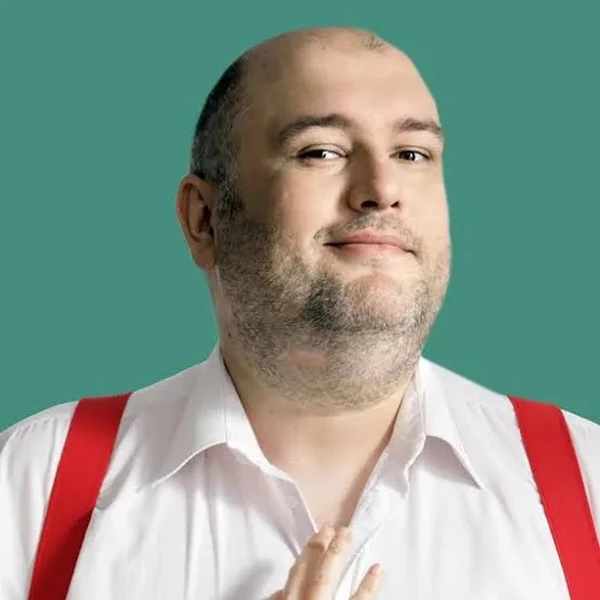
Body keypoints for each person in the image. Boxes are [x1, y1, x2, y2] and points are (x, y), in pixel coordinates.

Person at [0, 25, 598, 600]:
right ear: (204, 219)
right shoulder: (28, 485)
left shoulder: (588, 481)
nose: (381, 188)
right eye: (320, 151)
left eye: (412, 153)